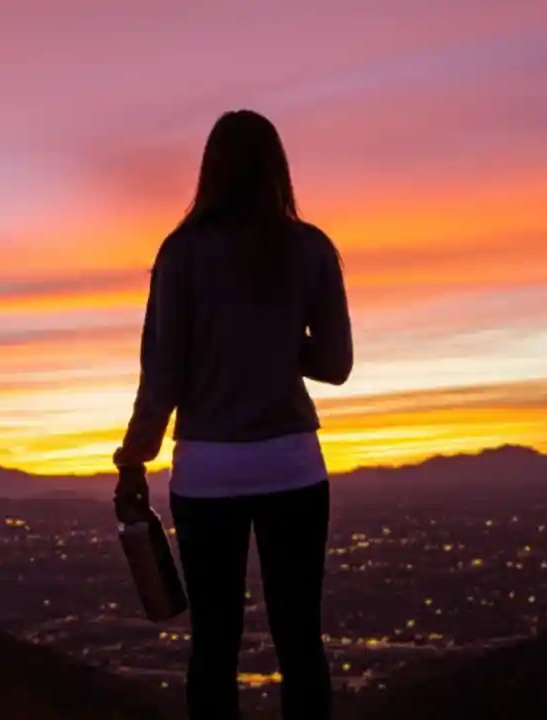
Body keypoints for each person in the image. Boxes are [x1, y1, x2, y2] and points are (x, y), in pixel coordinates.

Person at [113, 109, 353, 720]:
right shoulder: (310, 248)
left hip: (207, 473)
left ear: (209, 170)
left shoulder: (181, 252)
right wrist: (273, 336)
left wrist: (134, 458)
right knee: (300, 642)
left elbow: (161, 374)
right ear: (278, 168)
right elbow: (335, 363)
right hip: (293, 468)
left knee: (213, 648)